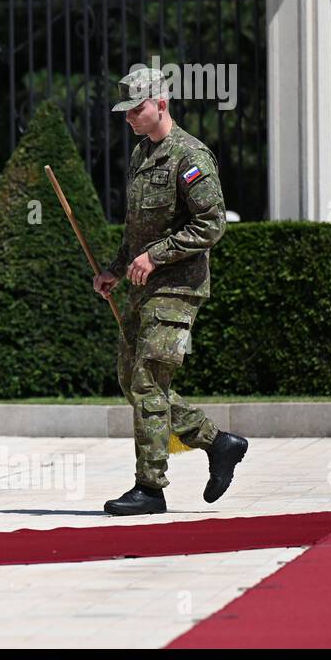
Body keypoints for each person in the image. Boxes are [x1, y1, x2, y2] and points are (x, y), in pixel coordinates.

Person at [94, 67, 248, 516]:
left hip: (178, 287)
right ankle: (219, 443)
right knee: (133, 380)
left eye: (136, 109)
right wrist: (116, 269)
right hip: (144, 287)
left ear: (161, 103)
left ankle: (150, 488)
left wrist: (157, 256)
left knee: (146, 381)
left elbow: (211, 224)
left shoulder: (190, 155)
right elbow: (136, 231)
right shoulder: (142, 154)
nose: (129, 119)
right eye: (124, 111)